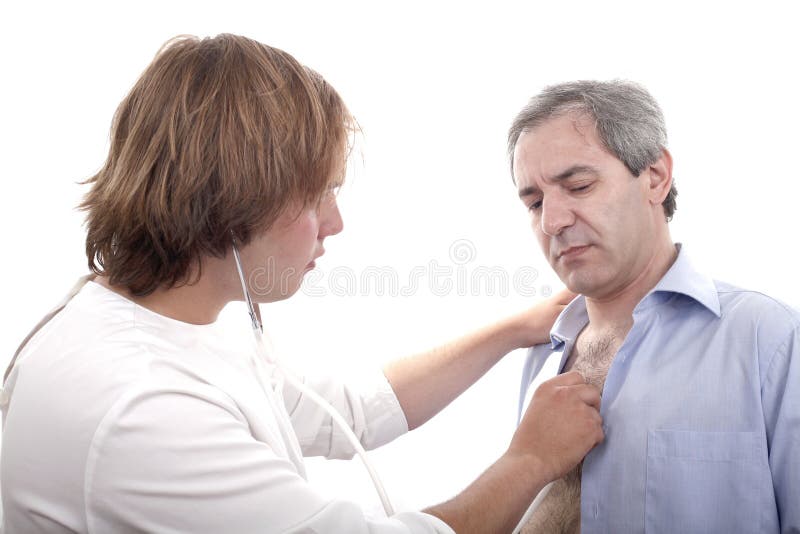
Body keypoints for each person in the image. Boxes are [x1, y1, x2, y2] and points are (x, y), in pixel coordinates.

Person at [0, 34, 605, 534]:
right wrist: (529, 458)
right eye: (319, 196)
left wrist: (514, 329)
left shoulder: (162, 321)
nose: (335, 223)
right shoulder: (141, 408)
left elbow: (344, 412)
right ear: (235, 201)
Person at [508, 80, 799, 533]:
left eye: (579, 186)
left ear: (656, 177)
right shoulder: (541, 355)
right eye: (534, 202)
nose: (552, 221)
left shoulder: (770, 340)